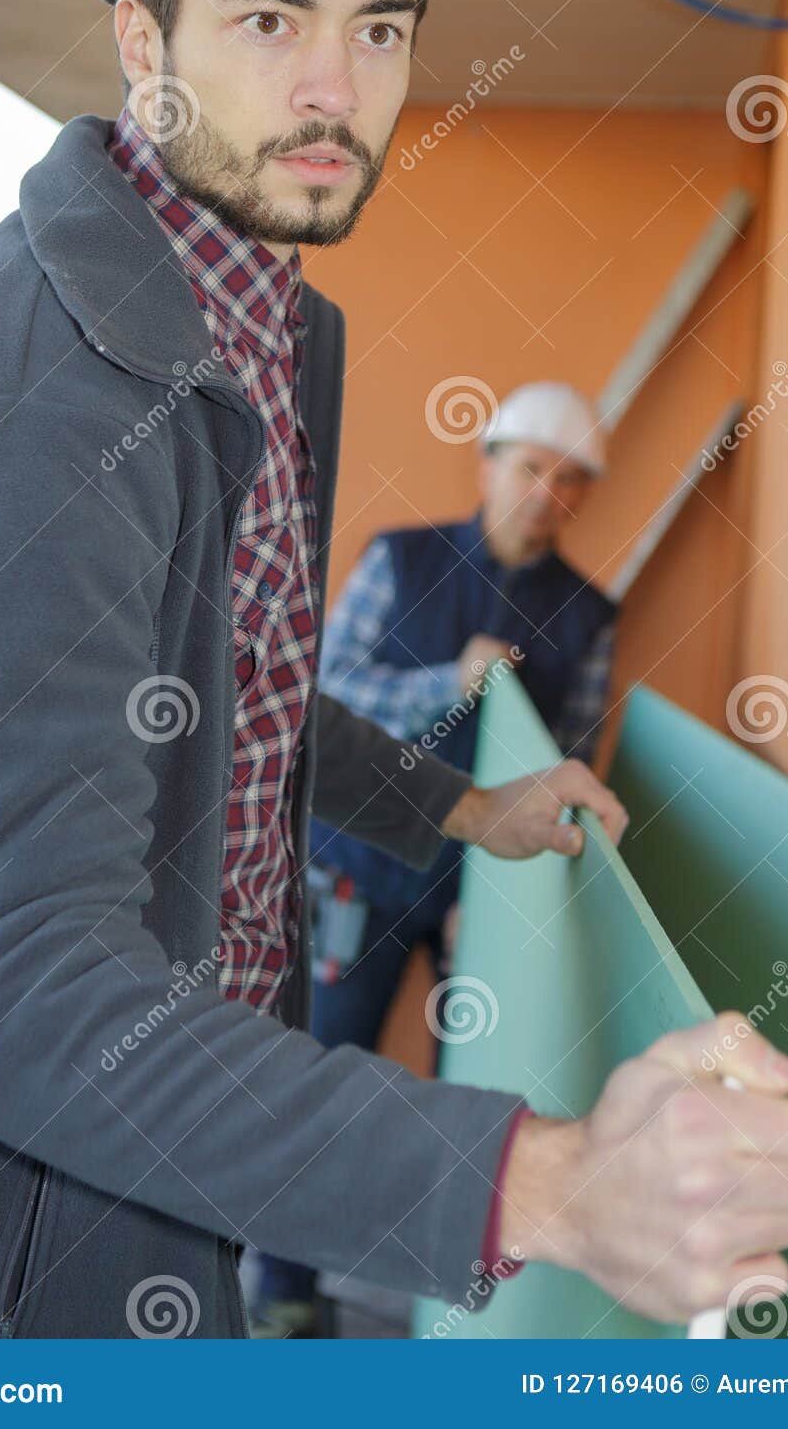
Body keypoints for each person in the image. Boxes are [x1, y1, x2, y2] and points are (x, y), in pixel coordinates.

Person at [0, 0, 788, 1342]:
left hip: (174, 1158)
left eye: (379, 26)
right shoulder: (37, 383)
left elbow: (225, 680)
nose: (335, 88)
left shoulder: (265, 323)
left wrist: (456, 798)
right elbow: (27, 1004)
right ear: (142, 34)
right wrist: (541, 1185)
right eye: (268, 17)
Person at [251, 381, 618, 1332]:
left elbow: (569, 763)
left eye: (572, 480)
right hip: (355, 872)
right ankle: (285, 1296)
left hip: (477, 900)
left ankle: (453, 1318)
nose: (549, 492)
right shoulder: (398, 559)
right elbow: (321, 696)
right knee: (320, 1078)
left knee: (478, 1108)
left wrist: (500, 893)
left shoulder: (589, 616)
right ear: (488, 461)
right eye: (533, 467)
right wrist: (443, 684)